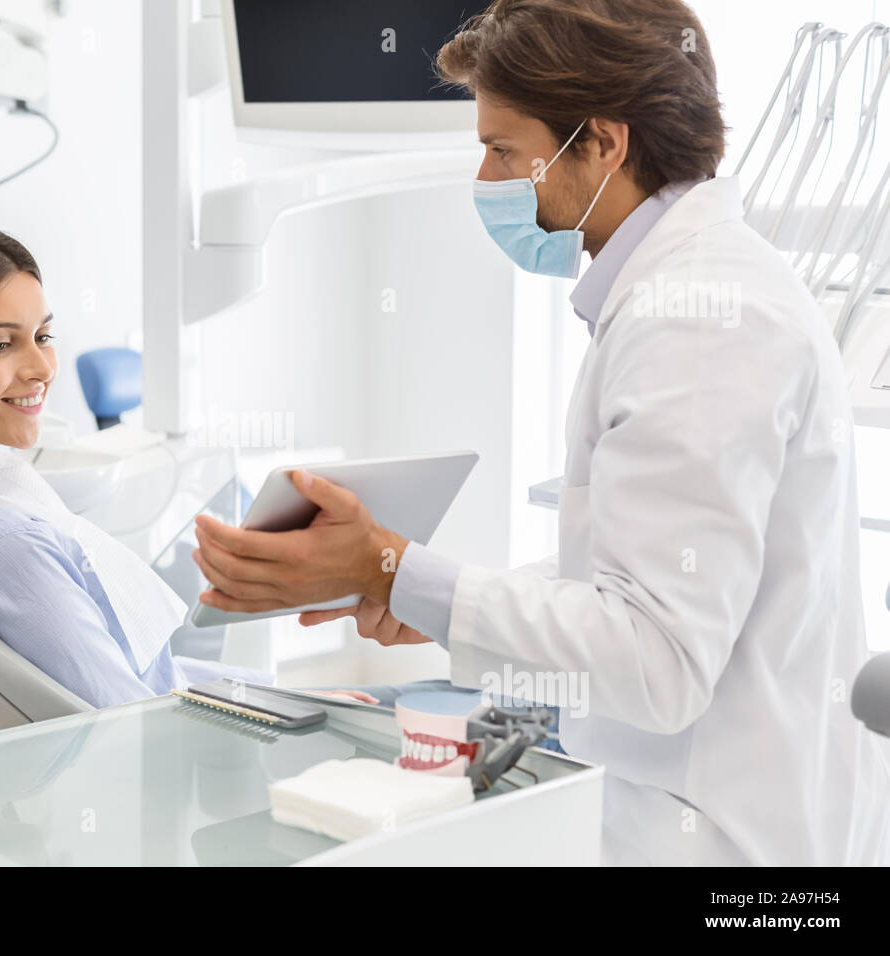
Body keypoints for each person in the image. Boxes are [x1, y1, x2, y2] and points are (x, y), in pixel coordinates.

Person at [193, 0, 890, 865]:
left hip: (727, 848)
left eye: (501, 150)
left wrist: (392, 568)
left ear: (602, 142)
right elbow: (639, 575)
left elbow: (656, 661)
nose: (485, 179)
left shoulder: (701, 320)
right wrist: (423, 596)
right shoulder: (682, 290)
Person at [0, 215, 376, 710]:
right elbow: (135, 725)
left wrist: (284, 696)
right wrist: (291, 710)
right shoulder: (2, 551)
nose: (41, 368)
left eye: (43, 337)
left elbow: (140, 682)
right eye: (2, 344)